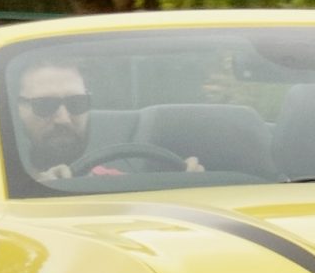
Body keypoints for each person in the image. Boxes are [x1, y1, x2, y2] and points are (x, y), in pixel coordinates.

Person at [11, 57, 197, 180]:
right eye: (45, 105)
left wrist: (191, 186)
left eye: (77, 103)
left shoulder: (114, 181)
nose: (64, 119)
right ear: (16, 109)